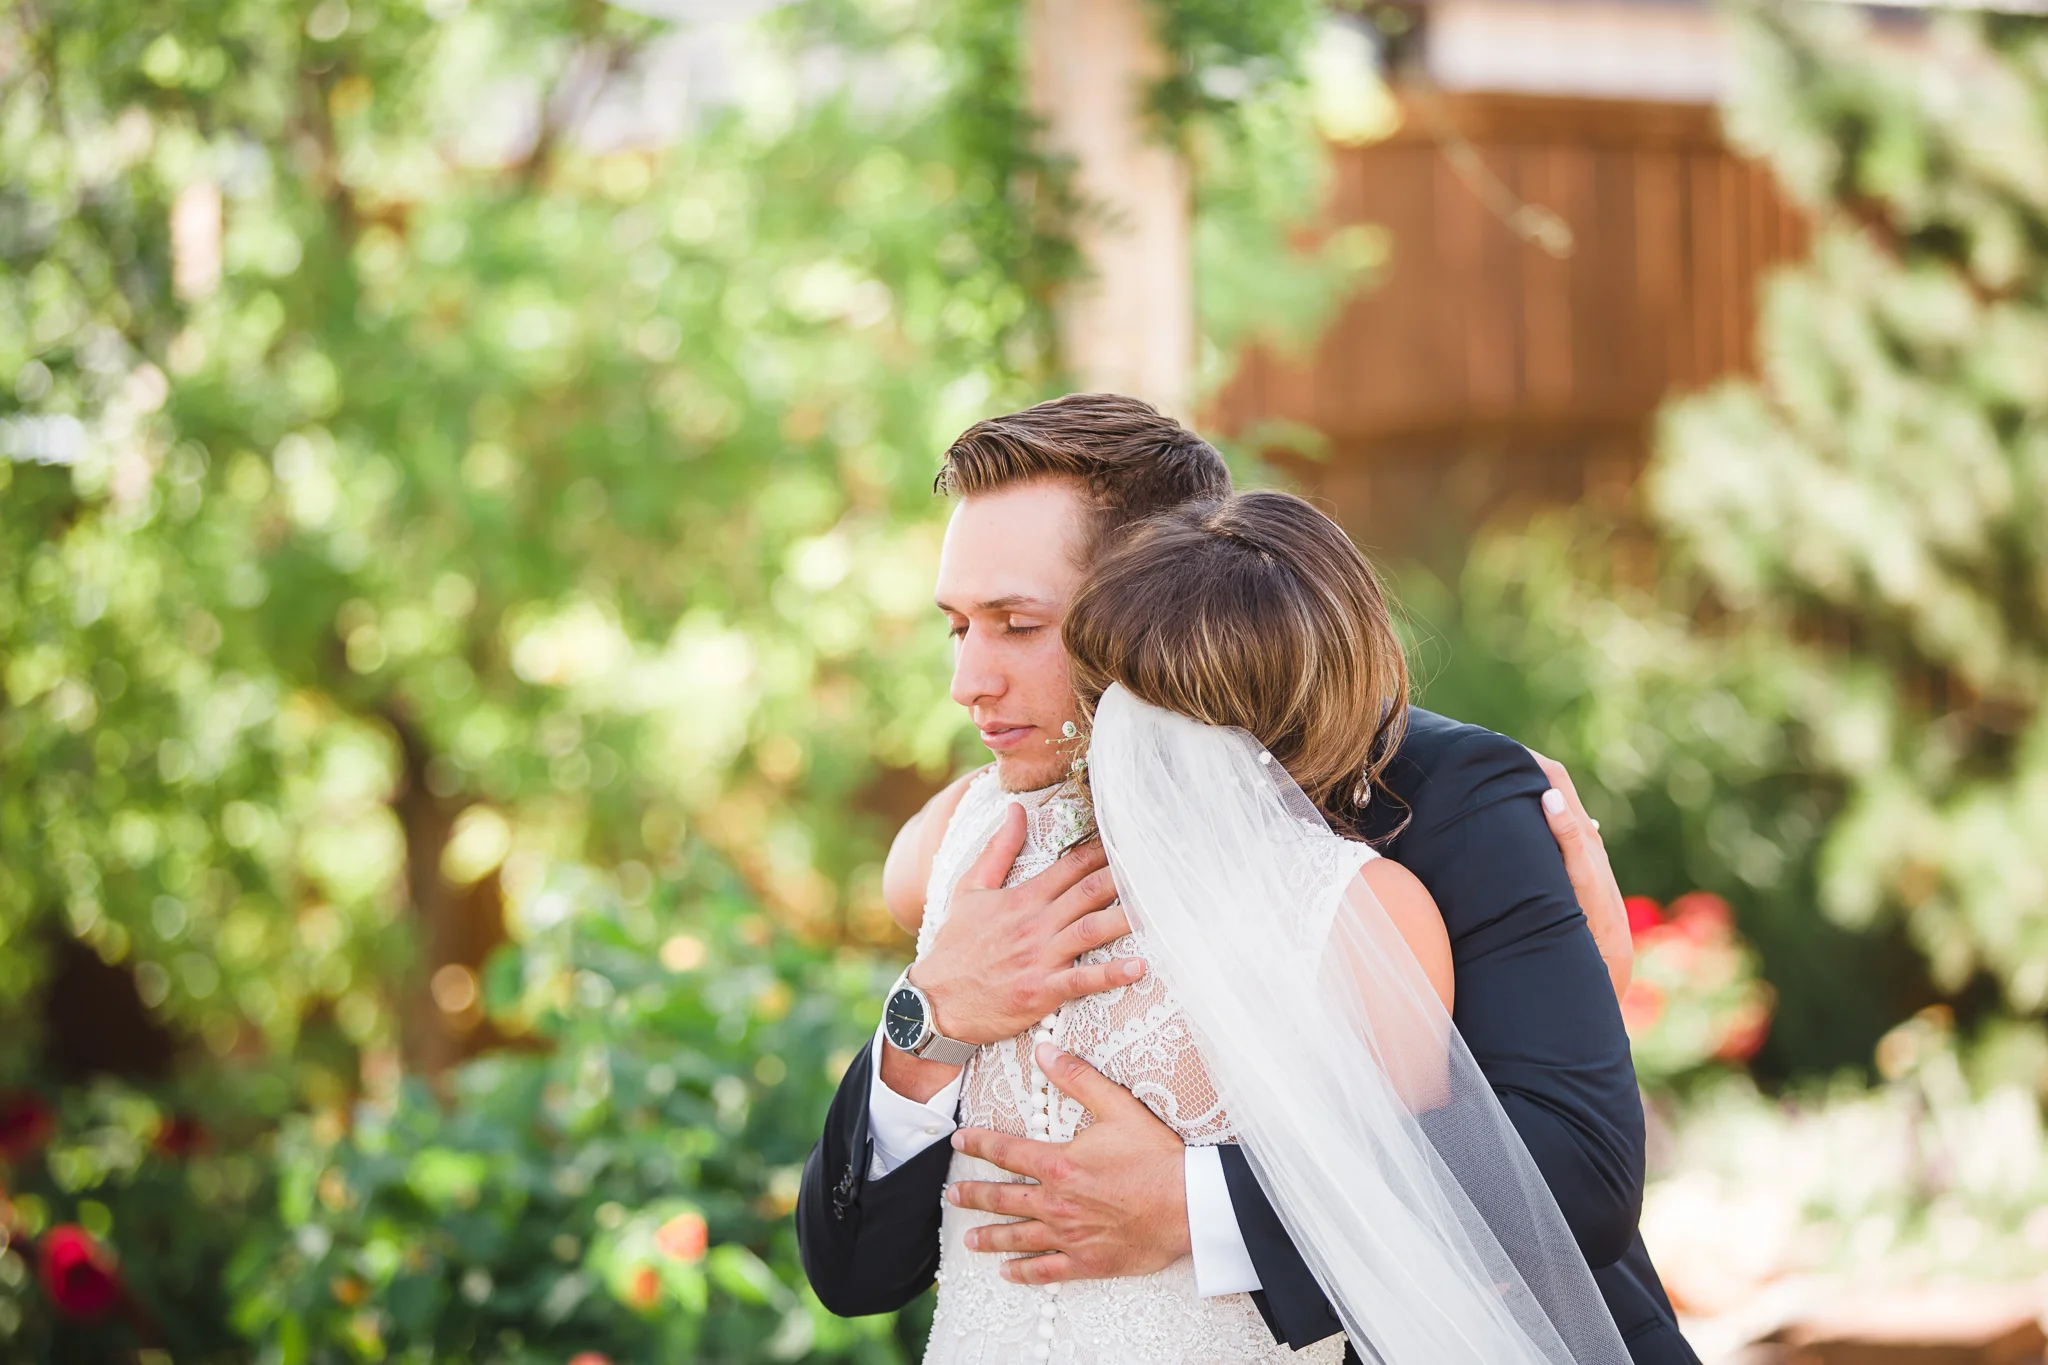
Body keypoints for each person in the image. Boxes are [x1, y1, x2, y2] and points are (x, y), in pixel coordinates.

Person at [796, 394, 1698, 1364]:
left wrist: (1194, 1204)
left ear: (1150, 594)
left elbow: (1574, 1175)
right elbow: (856, 1274)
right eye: (955, 626)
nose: (966, 681)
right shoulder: (989, 831)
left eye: (1015, 623)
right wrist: (926, 1010)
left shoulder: (1449, 800)